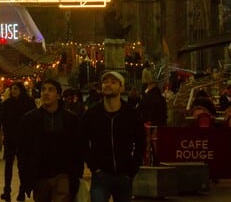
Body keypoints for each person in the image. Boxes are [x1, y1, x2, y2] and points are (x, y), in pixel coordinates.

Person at [17, 78, 84, 202]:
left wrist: (76, 174)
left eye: (51, 90)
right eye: (43, 90)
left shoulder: (70, 119)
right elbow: (23, 151)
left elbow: (77, 148)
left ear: (58, 95)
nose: (46, 93)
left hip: (63, 174)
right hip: (40, 175)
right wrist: (25, 178)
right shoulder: (30, 120)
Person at [83, 71, 145, 202]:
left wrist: (132, 169)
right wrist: (94, 167)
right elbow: (82, 142)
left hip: (124, 174)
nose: (108, 85)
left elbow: (141, 143)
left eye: (113, 82)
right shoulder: (92, 114)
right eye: (105, 82)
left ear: (121, 87)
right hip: (101, 174)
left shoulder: (131, 114)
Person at [0, 82, 36, 202]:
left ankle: (22, 190)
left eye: (15, 89)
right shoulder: (7, 104)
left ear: (21, 90)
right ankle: (7, 189)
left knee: (22, 165)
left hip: (24, 138)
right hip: (10, 138)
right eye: (11, 89)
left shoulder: (28, 103)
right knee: (8, 165)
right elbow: (1, 118)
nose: (13, 91)